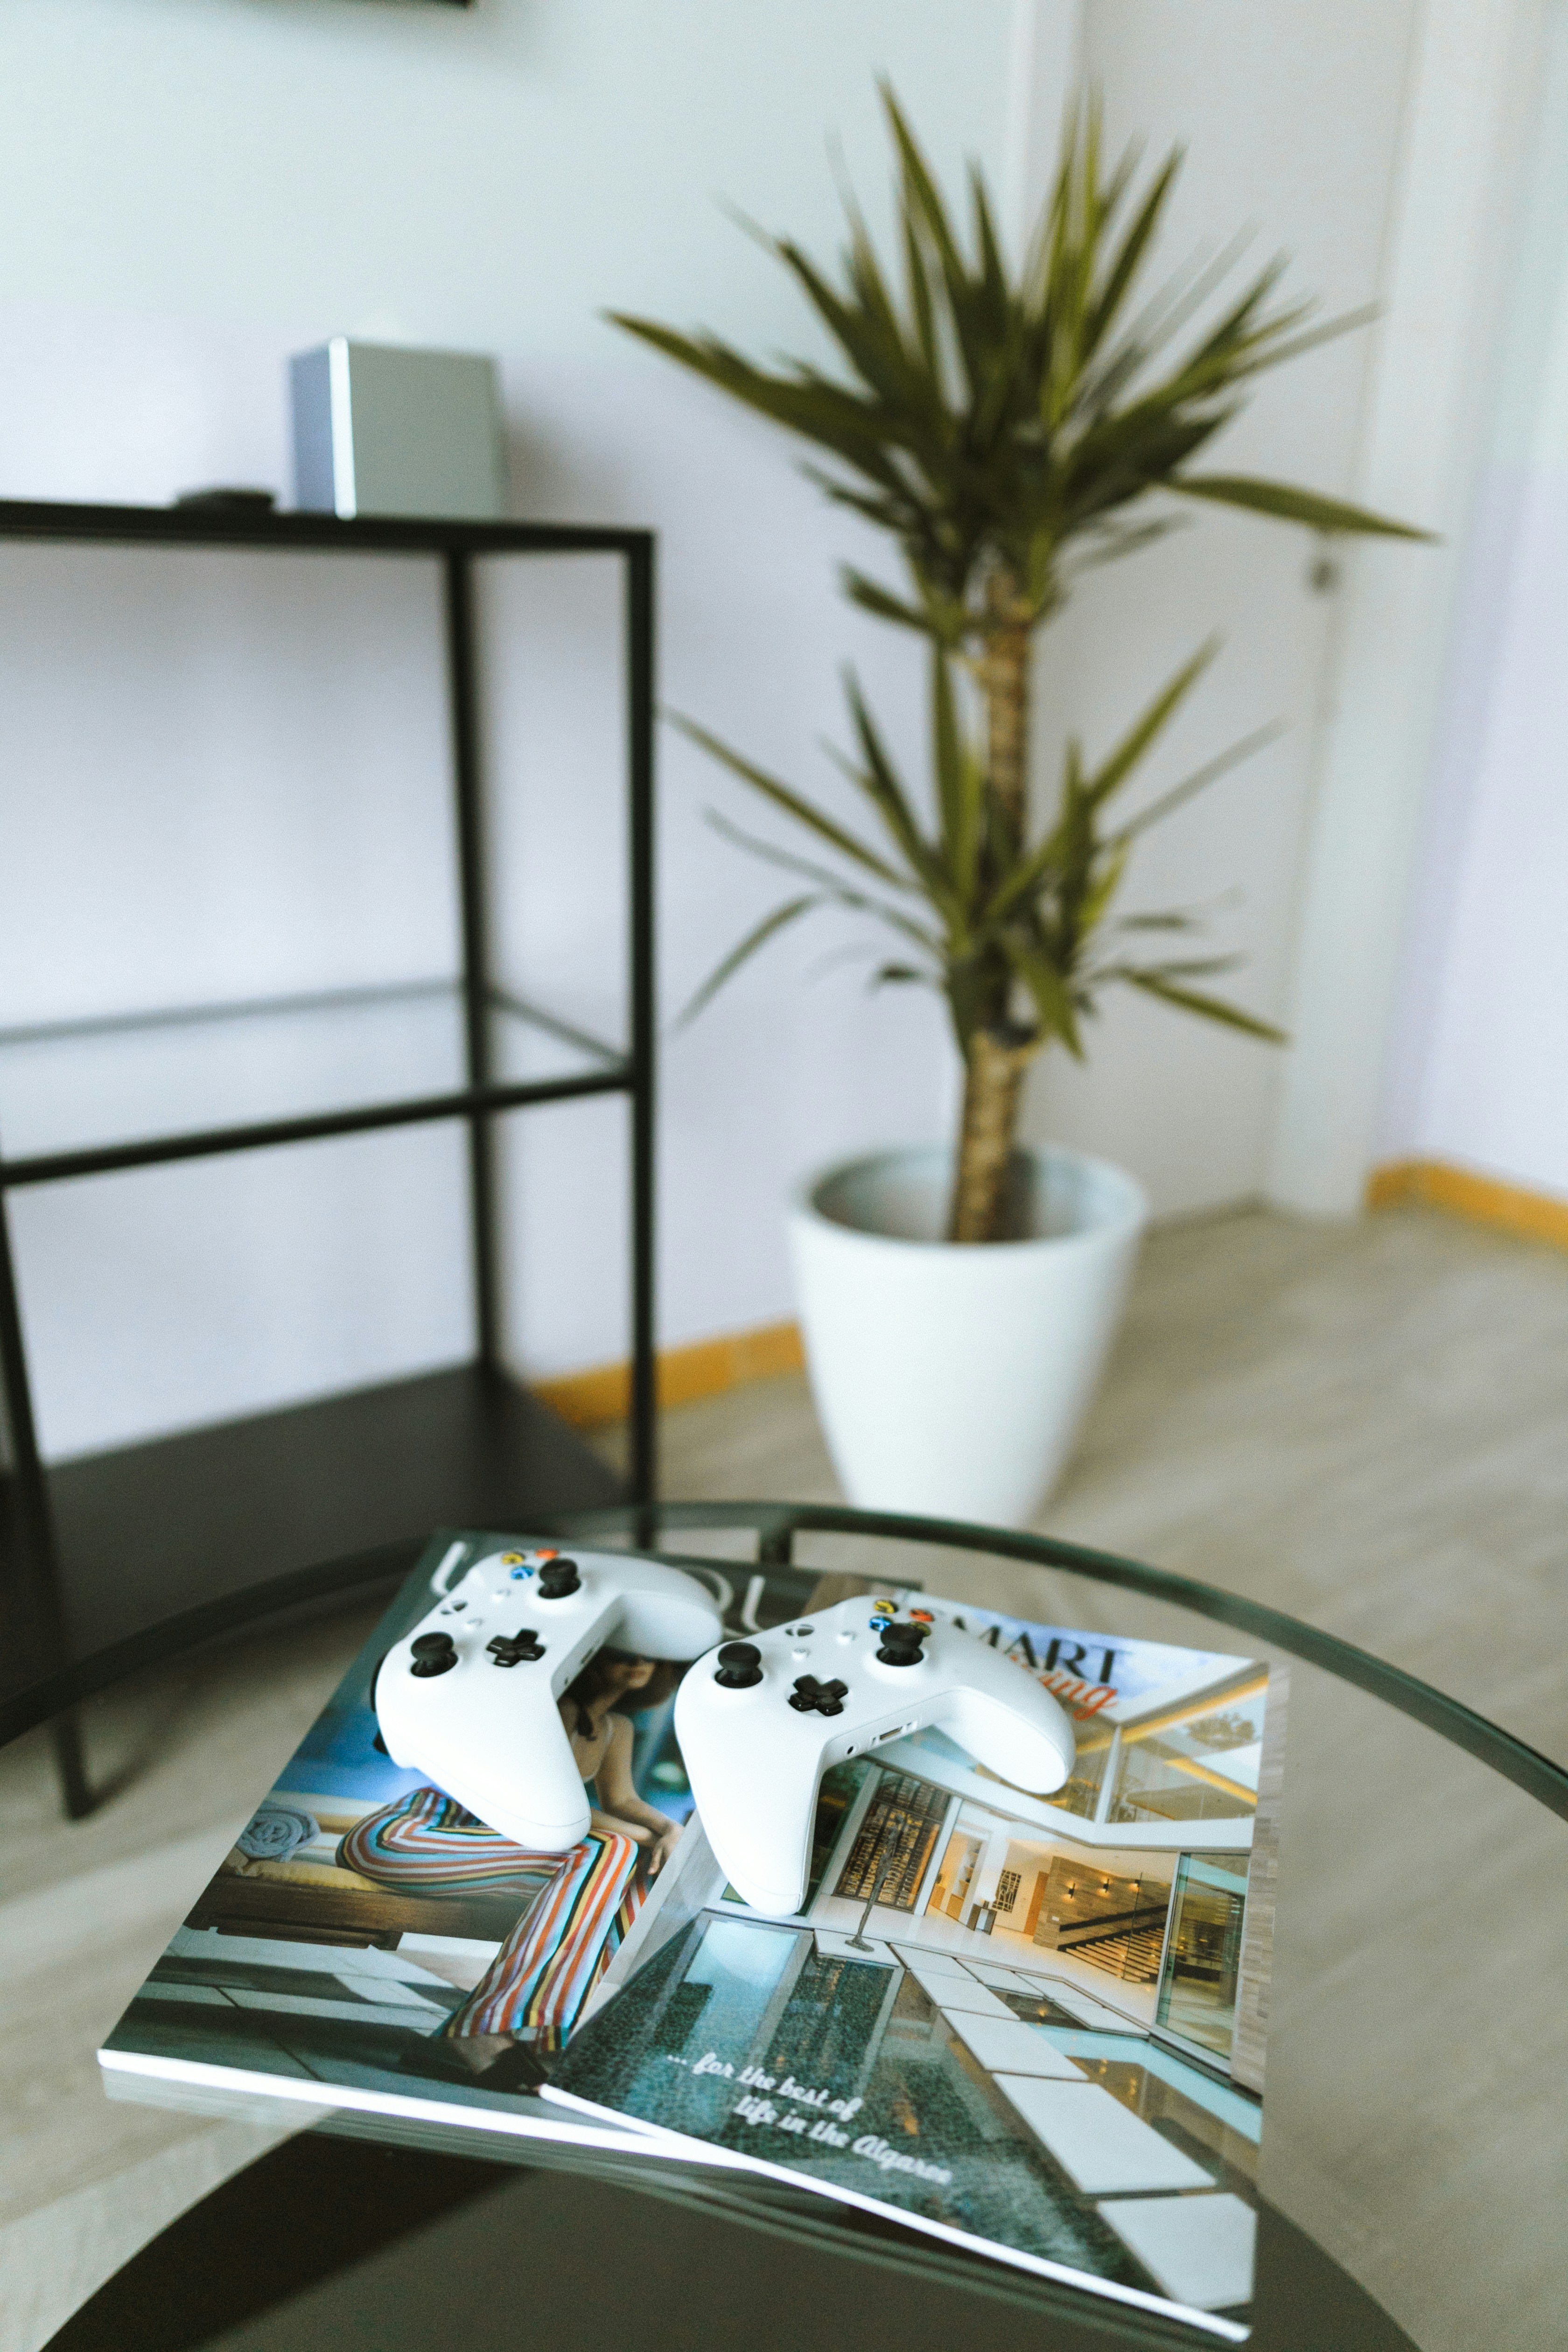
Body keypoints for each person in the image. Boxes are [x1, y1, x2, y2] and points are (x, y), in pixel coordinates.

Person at [341, 1649, 684, 2089]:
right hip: (410, 1837)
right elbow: (543, 1806)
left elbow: (622, 1801)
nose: (640, 1663)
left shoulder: (619, 1727)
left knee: (637, 1864)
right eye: (623, 1652)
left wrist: (670, 1831)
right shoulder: (556, 1711)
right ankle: (485, 2030)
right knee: (614, 1848)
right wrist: (646, 1837)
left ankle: (558, 2033)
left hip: (493, 1852)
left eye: (651, 1655)